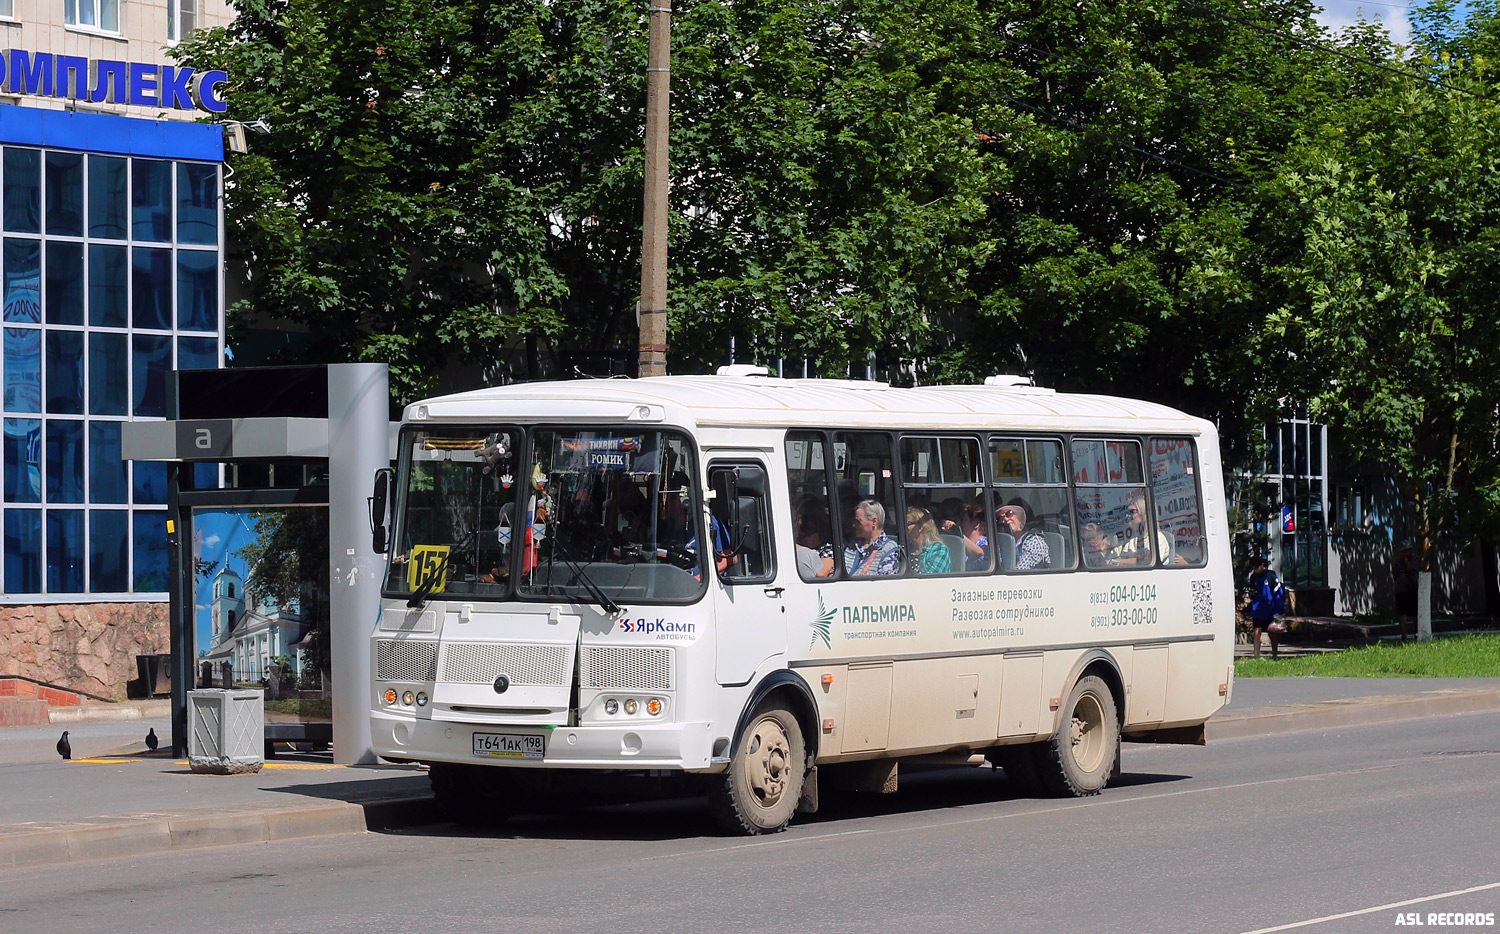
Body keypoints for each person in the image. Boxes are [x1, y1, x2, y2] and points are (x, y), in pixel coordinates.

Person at [843, 499, 900, 576]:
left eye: (858, 521)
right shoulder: (852, 545)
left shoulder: (889, 549)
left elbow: (885, 583)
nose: (854, 525)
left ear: (874, 522)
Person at [1112, 496, 1170, 567]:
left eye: (1131, 512)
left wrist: (1119, 562)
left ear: (1144, 514)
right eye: (1127, 512)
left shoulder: (1157, 538)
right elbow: (1114, 557)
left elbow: (1148, 561)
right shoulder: (1130, 539)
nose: (1127, 515)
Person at [996, 499, 1050, 570]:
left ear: (1018, 518)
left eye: (1009, 514)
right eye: (1001, 518)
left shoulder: (1034, 541)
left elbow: (1019, 571)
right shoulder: (1005, 543)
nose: (1005, 519)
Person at [1247, 556, 1284, 658]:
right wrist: (1252, 594)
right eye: (1253, 568)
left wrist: (1278, 610)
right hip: (1258, 610)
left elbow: (1278, 594)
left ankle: (1275, 655)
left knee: (1272, 634)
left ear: (1262, 565)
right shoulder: (1253, 577)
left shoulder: (1271, 576)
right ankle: (1256, 655)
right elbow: (1252, 592)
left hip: (1271, 611)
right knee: (1256, 632)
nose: (1255, 570)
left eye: (1256, 567)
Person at [906, 507, 952, 575]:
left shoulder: (939, 550)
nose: (904, 527)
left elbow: (930, 580)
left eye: (907, 524)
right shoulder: (904, 550)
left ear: (920, 527)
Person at [794, 505, 836, 579]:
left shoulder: (828, 549)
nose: (798, 540)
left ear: (815, 537)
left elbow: (822, 574)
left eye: (801, 538)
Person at [1393, 546, 1418, 641]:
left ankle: (1417, 632)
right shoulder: (1397, 562)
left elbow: (1412, 572)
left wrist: (1406, 561)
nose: (1404, 553)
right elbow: (1395, 575)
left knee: (1414, 613)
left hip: (1412, 589)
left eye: (1406, 551)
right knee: (1402, 613)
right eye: (1402, 551)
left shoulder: (1415, 559)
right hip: (1401, 590)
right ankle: (1404, 636)